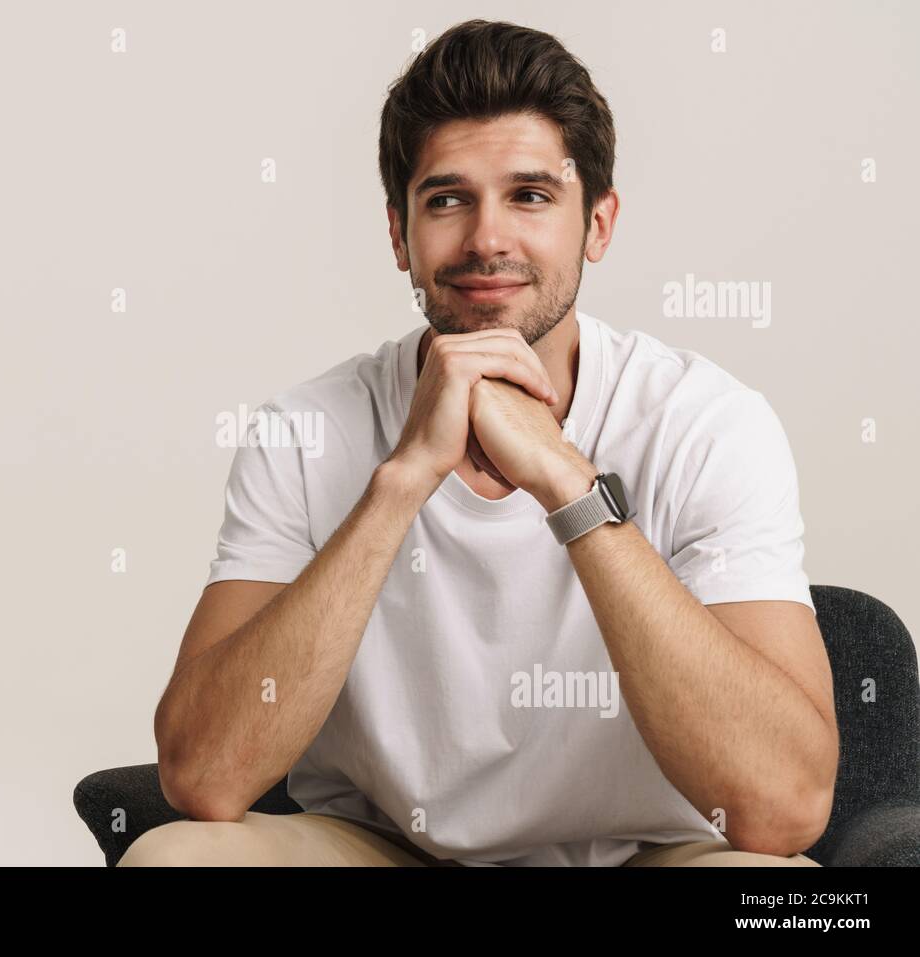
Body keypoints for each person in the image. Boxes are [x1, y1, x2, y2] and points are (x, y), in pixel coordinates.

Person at [126, 19, 836, 867]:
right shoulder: (305, 432)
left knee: (788, 901)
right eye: (448, 198)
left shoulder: (708, 423)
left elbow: (788, 810)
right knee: (175, 859)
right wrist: (404, 477)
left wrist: (567, 482)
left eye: (531, 196)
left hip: (644, 855)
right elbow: (201, 774)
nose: (487, 239)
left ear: (597, 226)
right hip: (384, 850)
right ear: (400, 234)